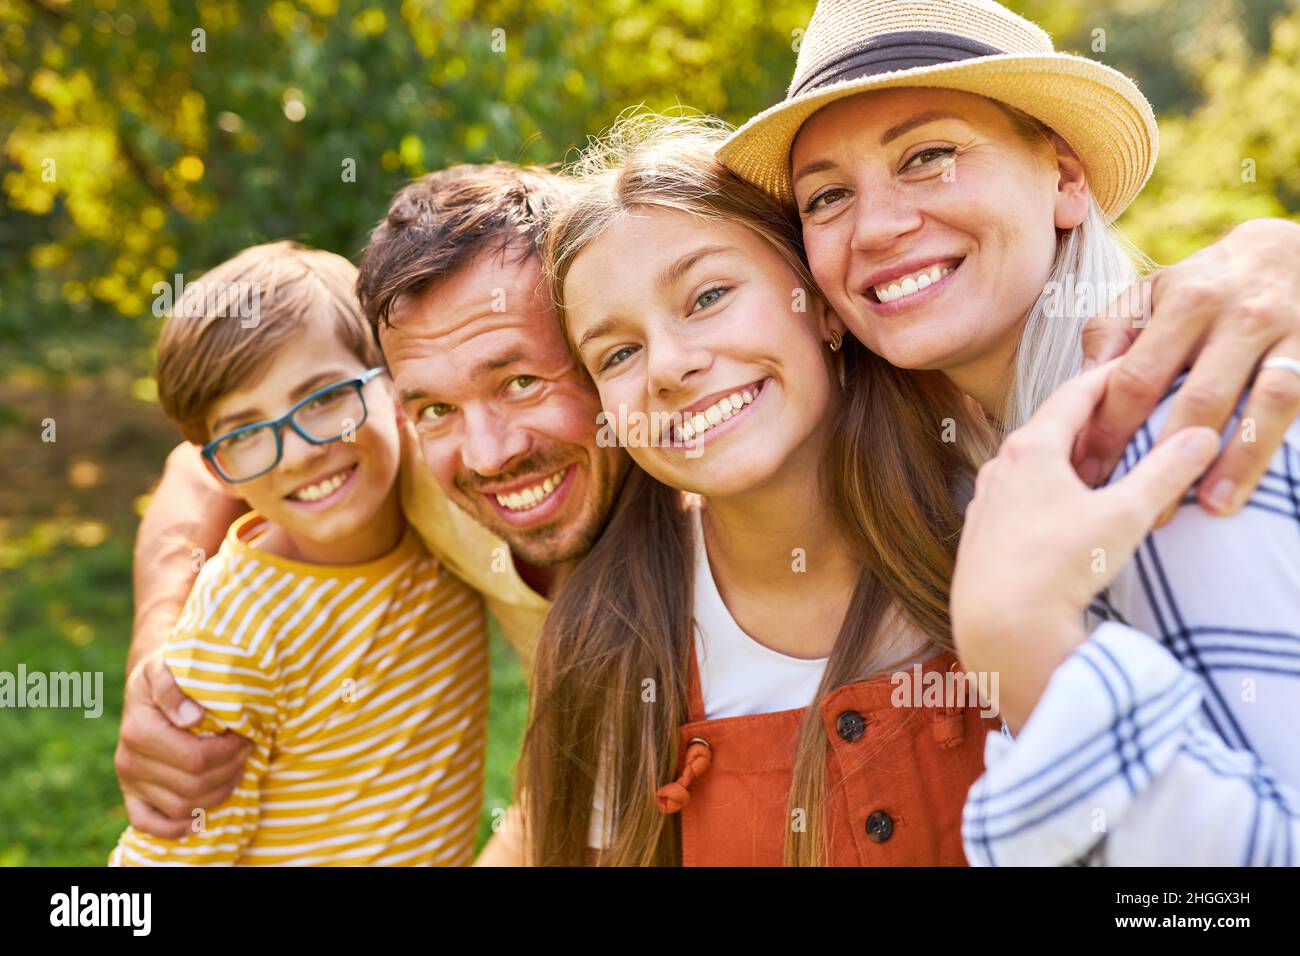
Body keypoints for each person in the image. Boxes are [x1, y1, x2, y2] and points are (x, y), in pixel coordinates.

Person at [119, 152, 1300, 861]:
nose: (489, 447)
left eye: (529, 378)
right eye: (430, 407)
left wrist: (1271, 254)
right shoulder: (437, 492)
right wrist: (164, 647)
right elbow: (217, 457)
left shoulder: (980, 468)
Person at [717, 0, 1300, 864]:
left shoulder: (1185, 426)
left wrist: (1024, 644)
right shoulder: (932, 479)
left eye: (930, 156)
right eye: (829, 196)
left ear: (1066, 179)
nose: (876, 227)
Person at [523, 114, 995, 866]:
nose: (669, 367)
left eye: (708, 296)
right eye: (618, 352)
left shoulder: (1000, 518)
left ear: (824, 308)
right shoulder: (611, 642)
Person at [110, 241, 488, 865]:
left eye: (323, 398)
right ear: (221, 470)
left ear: (392, 386)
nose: (301, 449)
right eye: (249, 433)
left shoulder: (445, 519)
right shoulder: (232, 637)